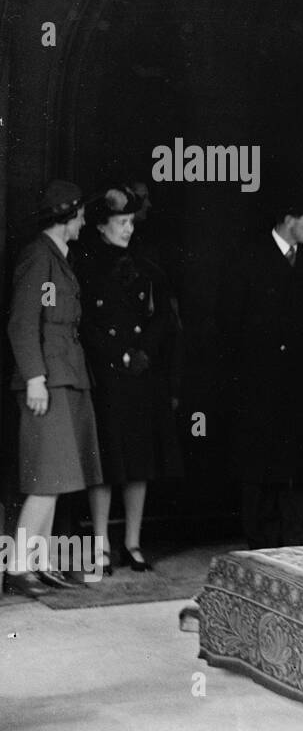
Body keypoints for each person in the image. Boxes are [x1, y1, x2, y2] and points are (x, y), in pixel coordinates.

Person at [76, 185, 182, 573]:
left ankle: (133, 542)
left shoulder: (146, 261)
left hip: (141, 376)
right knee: (105, 463)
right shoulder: (84, 264)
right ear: (102, 226)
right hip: (106, 377)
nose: (127, 229)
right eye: (120, 223)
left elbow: (163, 318)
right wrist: (116, 353)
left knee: (140, 463)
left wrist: (144, 352)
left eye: (130, 222)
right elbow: (84, 322)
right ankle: (101, 544)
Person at [3, 181, 102, 597]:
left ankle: (38, 563)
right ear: (67, 216)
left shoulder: (59, 257)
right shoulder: (38, 257)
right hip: (49, 380)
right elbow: (23, 322)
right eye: (80, 214)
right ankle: (19, 566)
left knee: (57, 477)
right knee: (47, 478)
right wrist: (35, 379)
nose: (84, 221)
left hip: (68, 376)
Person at [222, 189, 303, 549]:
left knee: (296, 460)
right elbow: (229, 325)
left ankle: (292, 536)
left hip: (299, 384)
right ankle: (259, 539)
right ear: (289, 219)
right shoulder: (248, 259)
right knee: (258, 463)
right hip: (257, 384)